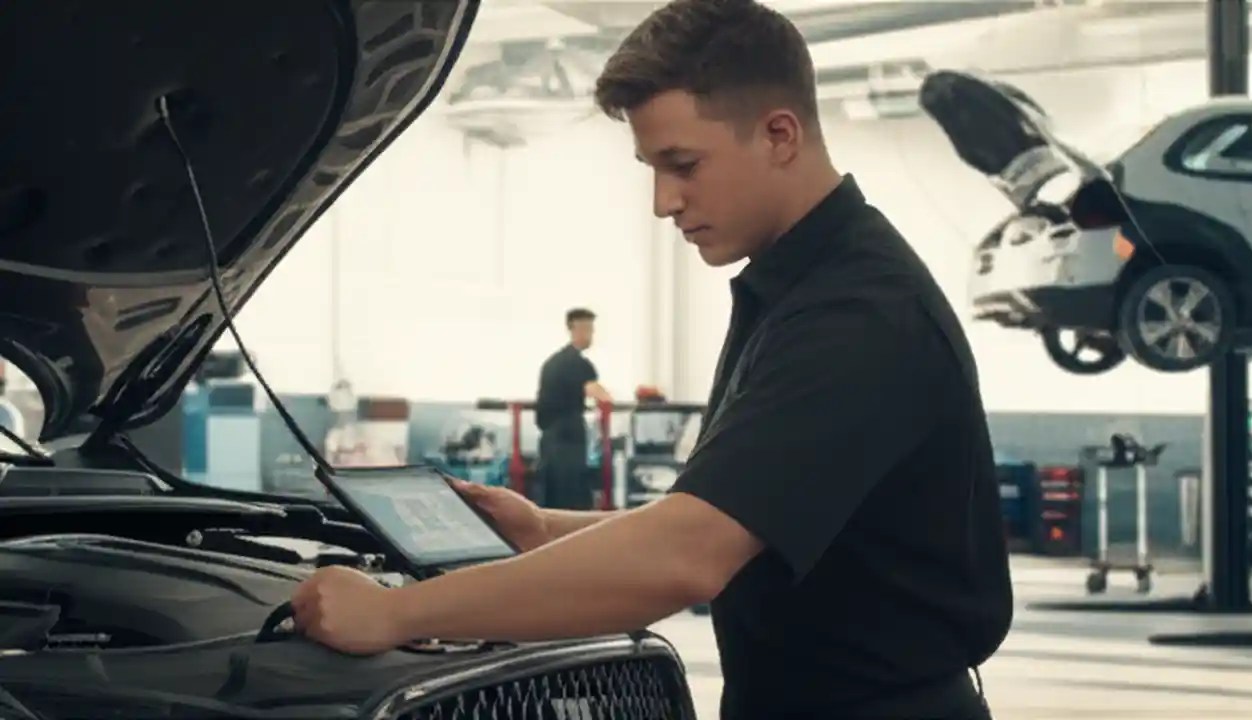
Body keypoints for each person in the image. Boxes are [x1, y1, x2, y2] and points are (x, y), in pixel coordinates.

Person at [291, 2, 1013, 717]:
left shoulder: (859, 314)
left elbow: (688, 554)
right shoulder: (803, 288)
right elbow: (731, 514)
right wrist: (543, 530)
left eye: (683, 165)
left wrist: (395, 614)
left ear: (780, 135)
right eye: (652, 168)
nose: (664, 202)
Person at [533, 308, 613, 509]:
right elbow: (599, 394)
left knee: (552, 497)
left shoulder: (552, 362)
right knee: (573, 496)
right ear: (576, 329)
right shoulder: (579, 364)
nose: (591, 335)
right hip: (568, 436)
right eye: (589, 329)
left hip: (549, 436)